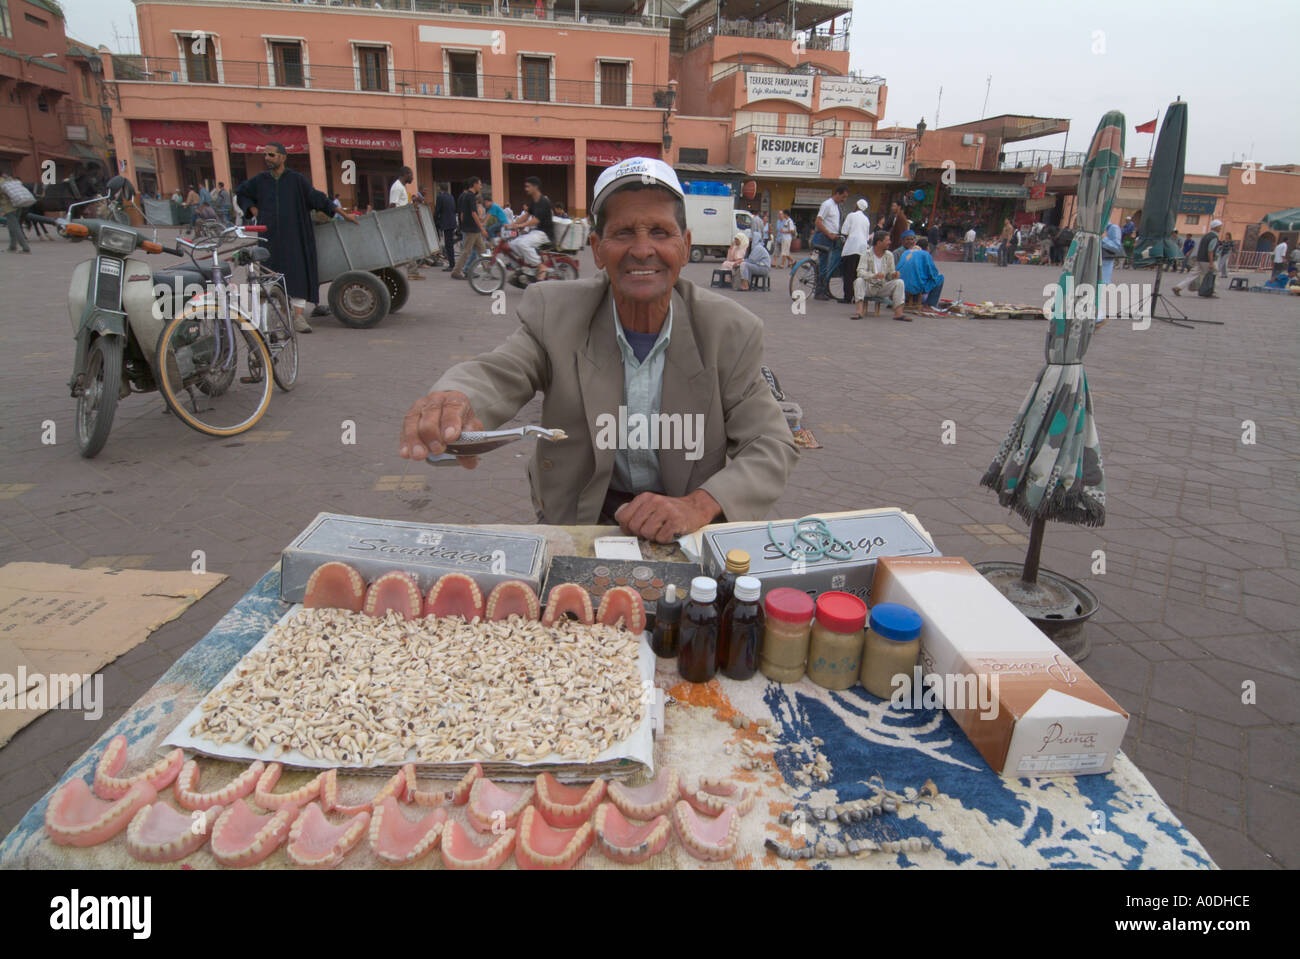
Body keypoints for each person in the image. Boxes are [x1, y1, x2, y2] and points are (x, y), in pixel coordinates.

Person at [397, 156, 797, 540]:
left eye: (660, 232)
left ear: (686, 245)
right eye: (623, 233)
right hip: (578, 514)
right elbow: (501, 370)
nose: (642, 250)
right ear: (598, 248)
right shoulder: (556, 313)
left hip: (682, 522)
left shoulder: (729, 331)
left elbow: (770, 442)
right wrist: (457, 399)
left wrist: (700, 504)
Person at [236, 141, 359, 333]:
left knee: (297, 275)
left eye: (271, 155)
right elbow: (242, 193)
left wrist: (343, 214)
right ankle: (279, 317)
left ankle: (299, 317)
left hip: (295, 235)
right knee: (271, 274)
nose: (267, 158)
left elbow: (317, 198)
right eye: (265, 154)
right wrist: (253, 209)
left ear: (283, 157)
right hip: (270, 238)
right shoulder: (259, 181)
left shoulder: (296, 180)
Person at [851, 230, 907, 321]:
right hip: (869, 287)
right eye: (887, 240)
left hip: (882, 287)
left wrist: (894, 275)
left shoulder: (889, 255)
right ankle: (859, 312)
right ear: (879, 242)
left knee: (899, 282)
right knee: (859, 281)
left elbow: (889, 275)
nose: (890, 243)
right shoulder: (866, 254)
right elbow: (860, 272)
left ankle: (898, 313)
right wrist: (873, 276)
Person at [507, 176, 554, 280]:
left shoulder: (543, 201)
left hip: (545, 234)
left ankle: (541, 267)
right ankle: (526, 268)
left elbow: (536, 220)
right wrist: (512, 224)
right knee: (512, 244)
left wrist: (520, 226)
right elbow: (526, 216)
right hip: (537, 232)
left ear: (535, 187)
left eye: (528, 186)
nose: (526, 189)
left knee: (522, 243)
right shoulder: (534, 201)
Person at [388, 166, 425, 280]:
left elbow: (402, 205)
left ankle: (412, 271)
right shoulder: (397, 187)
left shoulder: (401, 187)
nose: (413, 177)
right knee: (409, 245)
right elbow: (392, 205)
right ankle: (411, 272)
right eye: (411, 174)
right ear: (406, 174)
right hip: (400, 222)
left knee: (408, 246)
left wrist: (413, 202)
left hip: (404, 220)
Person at [812, 184, 848, 301]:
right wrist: (829, 234)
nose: (844, 200)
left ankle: (824, 290)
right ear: (837, 194)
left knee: (828, 265)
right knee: (823, 265)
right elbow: (818, 222)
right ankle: (819, 292)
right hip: (824, 237)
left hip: (832, 238)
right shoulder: (827, 204)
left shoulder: (837, 207)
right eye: (843, 197)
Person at [450, 176, 486, 280]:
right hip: (472, 229)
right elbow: (473, 213)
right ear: (474, 184)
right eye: (479, 184)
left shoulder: (464, 196)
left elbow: (462, 214)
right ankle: (456, 271)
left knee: (481, 250)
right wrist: (482, 228)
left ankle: (488, 270)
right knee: (467, 251)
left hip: (471, 228)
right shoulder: (470, 197)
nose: (481, 186)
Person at [1172, 220, 1220, 298]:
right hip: (1207, 260)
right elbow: (1210, 250)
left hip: (1200, 259)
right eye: (1219, 226)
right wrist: (1211, 263)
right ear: (1216, 227)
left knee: (1193, 274)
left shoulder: (1205, 235)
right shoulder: (1214, 237)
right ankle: (1213, 292)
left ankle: (1178, 287)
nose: (1220, 228)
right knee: (1215, 274)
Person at [897, 232, 945, 308]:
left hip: (901, 285)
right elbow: (933, 273)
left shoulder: (906, 252)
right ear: (927, 248)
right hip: (914, 287)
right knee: (940, 278)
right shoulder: (925, 254)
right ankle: (930, 305)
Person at [839, 198, 872, 307]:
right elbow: (867, 236)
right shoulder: (866, 219)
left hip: (851, 248)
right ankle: (857, 296)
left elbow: (844, 231)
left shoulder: (851, 216)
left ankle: (848, 297)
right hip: (862, 249)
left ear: (857, 206)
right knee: (857, 275)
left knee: (848, 274)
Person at [1, 173, 33, 254]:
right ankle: (12, 246)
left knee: (15, 227)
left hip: (9, 208)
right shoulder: (8, 180)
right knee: (12, 226)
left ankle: (25, 248)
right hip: (19, 204)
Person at [736, 225, 770, 291]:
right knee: (744, 264)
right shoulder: (755, 247)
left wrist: (741, 261)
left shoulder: (758, 248)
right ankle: (746, 283)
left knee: (744, 264)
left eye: (751, 238)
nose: (750, 240)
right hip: (759, 266)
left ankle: (745, 285)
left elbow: (752, 260)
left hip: (763, 268)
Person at [434, 184, 457, 269]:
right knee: (450, 243)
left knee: (448, 244)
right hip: (452, 222)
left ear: (439, 188)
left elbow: (437, 210)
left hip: (446, 223)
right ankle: (452, 262)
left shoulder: (440, 197)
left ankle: (451, 264)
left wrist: (434, 220)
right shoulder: (451, 197)